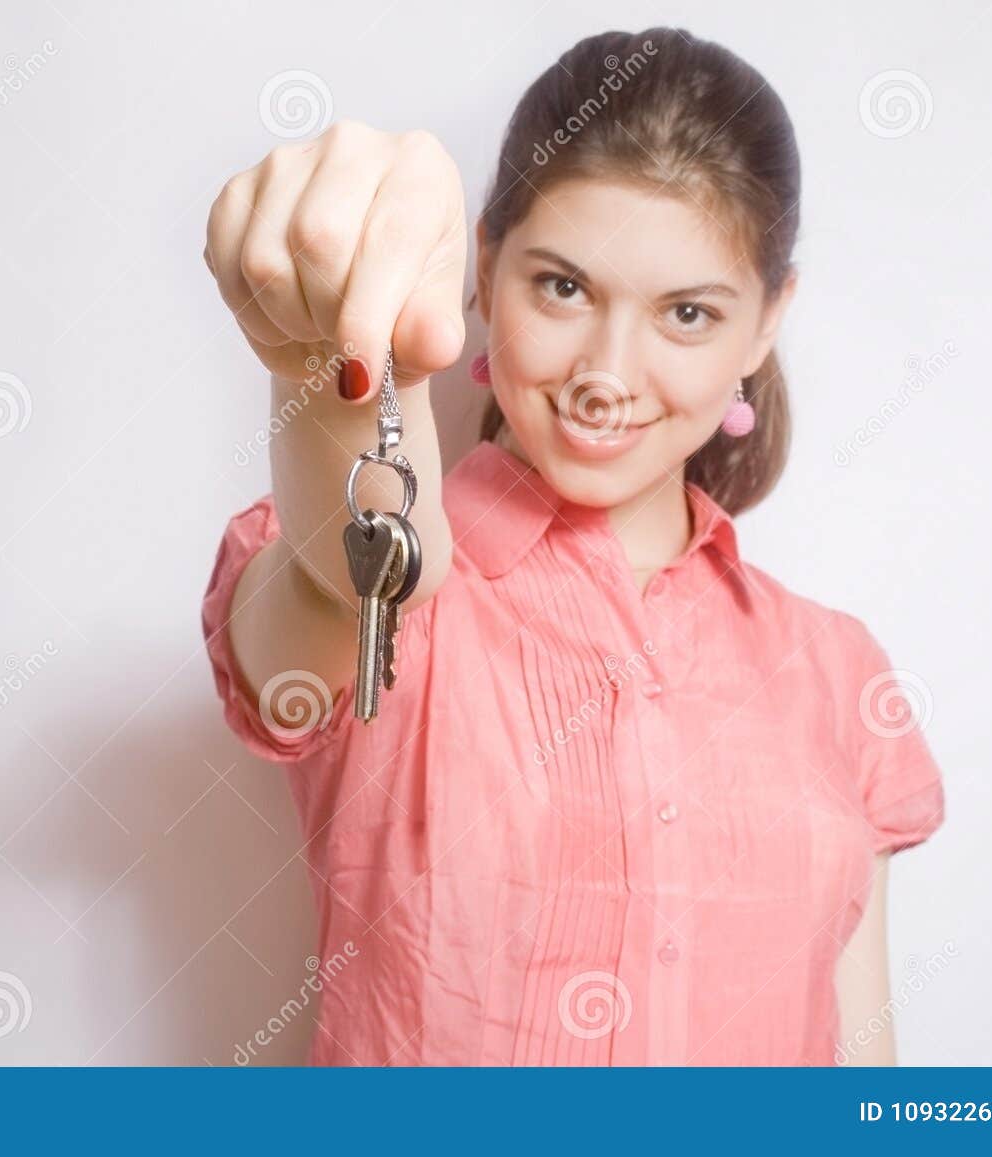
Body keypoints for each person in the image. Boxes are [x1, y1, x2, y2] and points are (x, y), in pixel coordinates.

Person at [200, 27, 944, 1065]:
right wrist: (333, 346)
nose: (606, 369)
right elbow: (360, 568)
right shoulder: (389, 598)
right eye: (561, 288)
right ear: (487, 267)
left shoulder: (837, 673)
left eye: (686, 312)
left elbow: (865, 1067)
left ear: (766, 323)